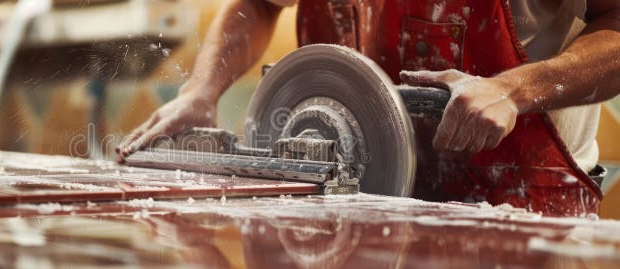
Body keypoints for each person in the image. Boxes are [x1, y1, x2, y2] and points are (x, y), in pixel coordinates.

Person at [117, 0, 620, 217]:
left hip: (519, 224)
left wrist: (515, 89)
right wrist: (201, 91)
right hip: (345, 227)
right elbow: (261, 3)